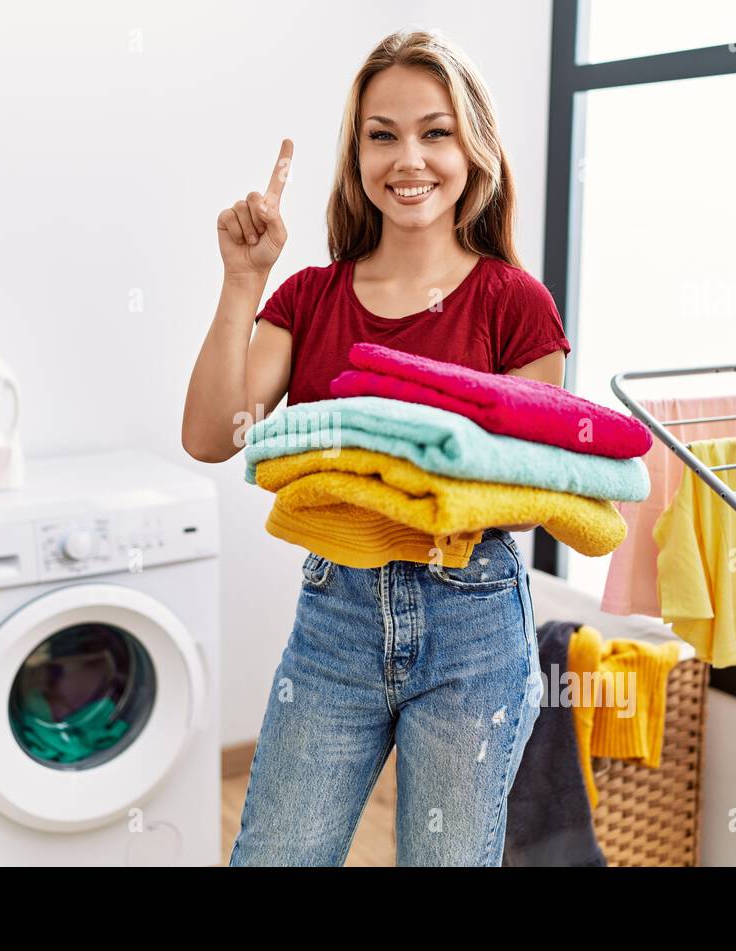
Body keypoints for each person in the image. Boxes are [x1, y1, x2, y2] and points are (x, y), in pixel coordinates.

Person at [181, 29, 571, 866]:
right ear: (355, 152)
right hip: (335, 618)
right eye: (381, 133)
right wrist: (243, 280)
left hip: (473, 618)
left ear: (475, 148)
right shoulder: (308, 297)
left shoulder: (517, 306)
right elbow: (214, 436)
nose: (409, 158)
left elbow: (536, 483)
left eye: (435, 131)